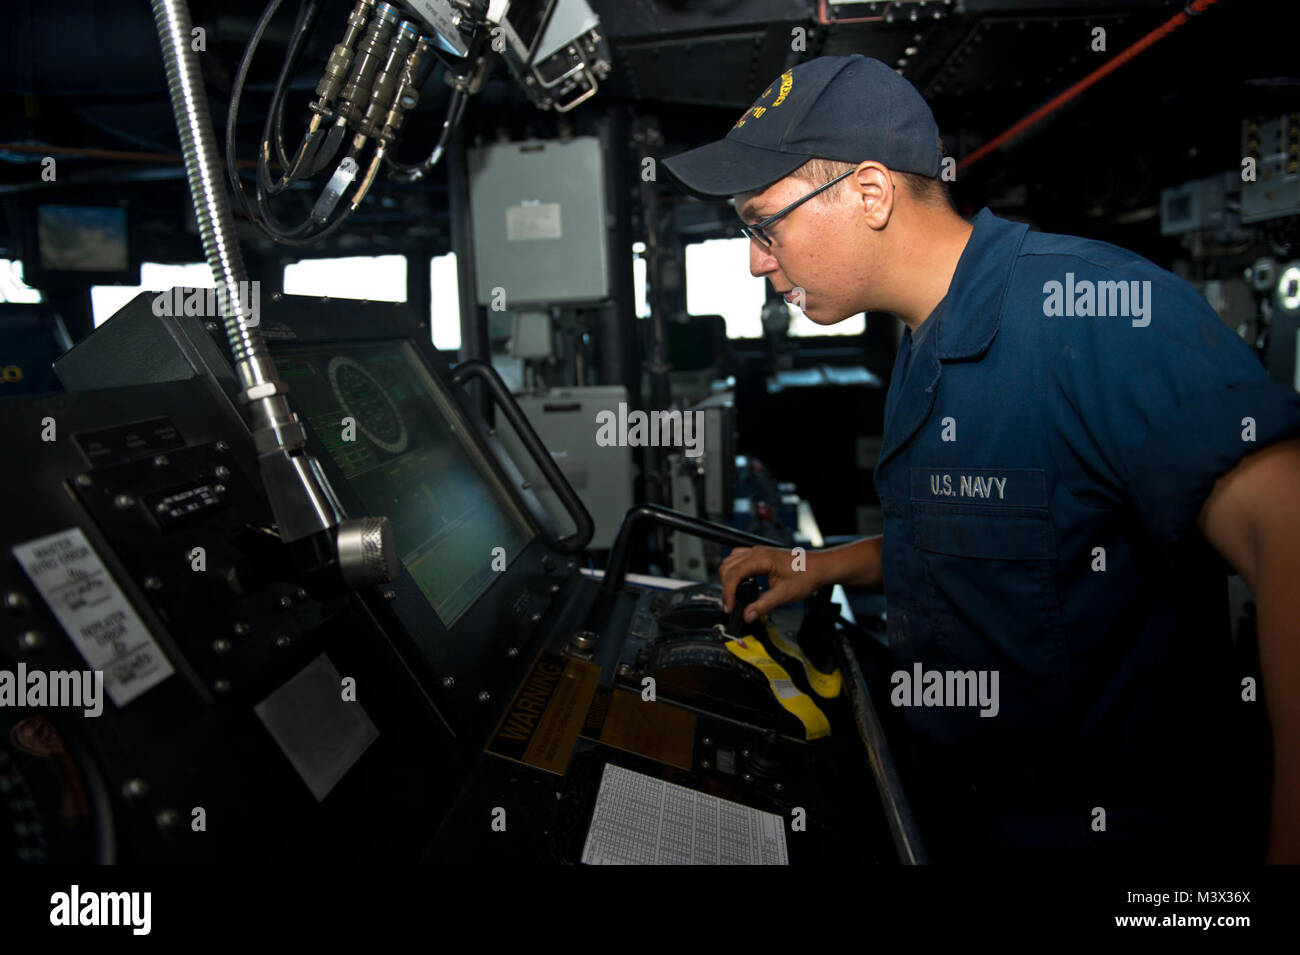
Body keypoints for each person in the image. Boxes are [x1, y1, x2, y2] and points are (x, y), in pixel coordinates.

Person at [663, 54, 1300, 864]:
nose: (757, 257)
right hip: (961, 816)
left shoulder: (1092, 314)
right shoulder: (924, 337)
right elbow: (992, 544)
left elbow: (1289, 527)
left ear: (869, 192)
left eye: (764, 223)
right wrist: (819, 565)